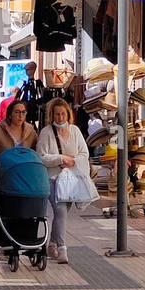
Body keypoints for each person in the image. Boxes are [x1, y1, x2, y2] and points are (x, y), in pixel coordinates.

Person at [36, 98, 91, 266]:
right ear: (51, 115)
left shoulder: (75, 131)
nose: (60, 117)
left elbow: (84, 153)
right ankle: (62, 248)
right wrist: (61, 159)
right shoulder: (46, 132)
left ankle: (51, 244)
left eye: (63, 114)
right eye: (57, 114)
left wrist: (73, 161)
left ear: (68, 114)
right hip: (52, 179)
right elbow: (41, 156)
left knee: (62, 215)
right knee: (60, 211)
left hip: (71, 180)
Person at [0, 98, 38, 163]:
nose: (20, 115)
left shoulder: (30, 131)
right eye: (17, 112)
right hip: (4, 169)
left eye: (23, 112)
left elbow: (37, 153)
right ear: (10, 115)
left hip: (25, 169)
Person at [19, 61, 47, 127]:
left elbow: (41, 95)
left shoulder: (38, 83)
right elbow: (20, 96)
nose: (27, 72)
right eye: (26, 70)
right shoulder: (25, 84)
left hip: (35, 110)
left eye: (28, 70)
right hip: (27, 110)